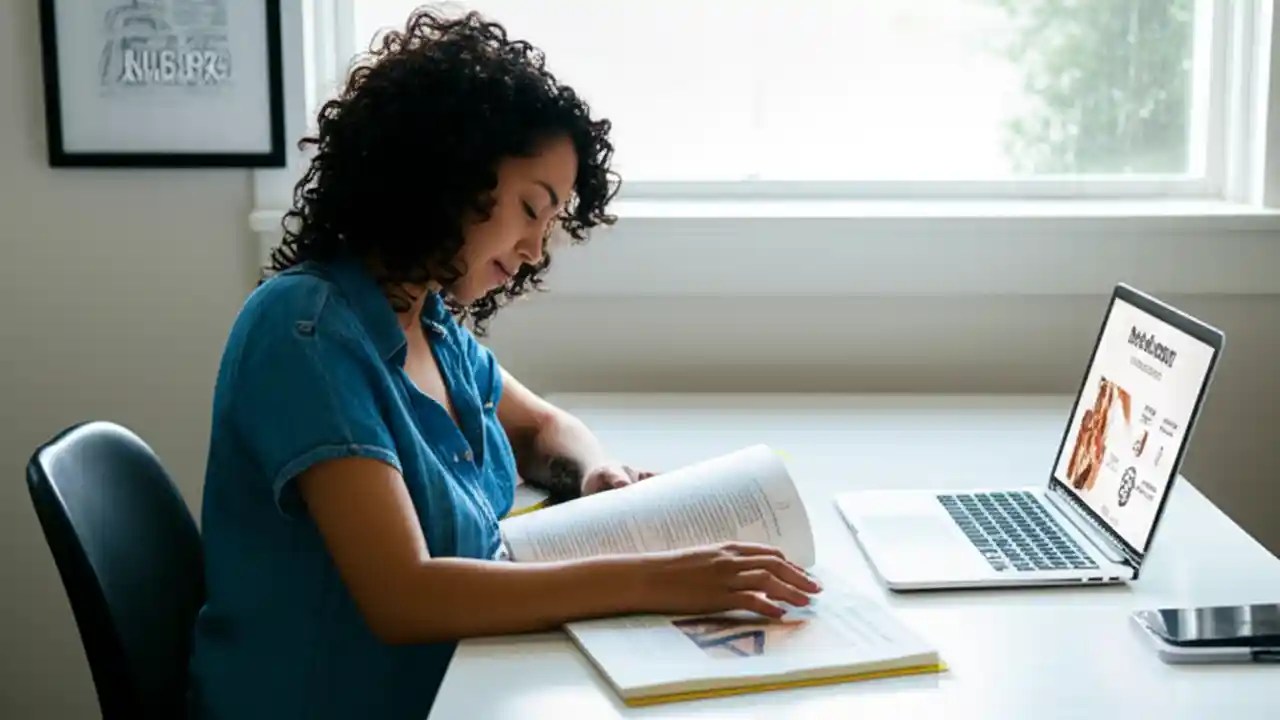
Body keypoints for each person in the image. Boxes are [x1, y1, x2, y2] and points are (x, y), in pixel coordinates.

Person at [187, 7, 820, 719]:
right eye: (530, 208)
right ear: (448, 171)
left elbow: (541, 426)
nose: (534, 251)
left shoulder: (425, 317)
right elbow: (406, 596)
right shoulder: (305, 333)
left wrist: (593, 470)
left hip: (459, 683)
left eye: (550, 225)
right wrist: (659, 579)